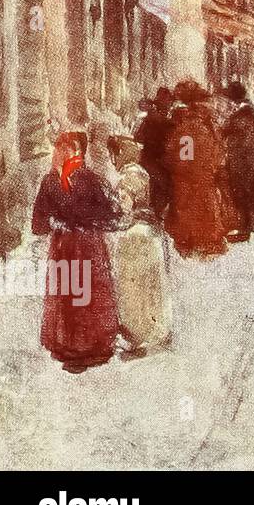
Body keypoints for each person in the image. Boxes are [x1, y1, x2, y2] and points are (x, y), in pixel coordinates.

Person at [31, 131, 120, 372]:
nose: (62, 153)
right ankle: (68, 345)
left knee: (89, 293)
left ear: (79, 152)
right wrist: (57, 223)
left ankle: (93, 344)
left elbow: (108, 213)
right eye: (59, 148)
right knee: (69, 294)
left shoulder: (90, 179)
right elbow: (38, 221)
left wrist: (86, 222)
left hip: (89, 246)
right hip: (64, 247)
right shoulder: (49, 181)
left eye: (69, 148)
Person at [107, 135, 172, 356]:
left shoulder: (126, 179)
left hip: (135, 235)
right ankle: (158, 332)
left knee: (132, 288)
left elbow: (123, 210)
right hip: (153, 233)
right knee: (153, 285)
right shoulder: (145, 175)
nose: (111, 160)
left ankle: (136, 335)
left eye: (112, 155)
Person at [163, 80, 230, 259]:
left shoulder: (185, 129)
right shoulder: (206, 127)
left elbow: (177, 158)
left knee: (190, 215)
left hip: (188, 181)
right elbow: (218, 152)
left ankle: (194, 246)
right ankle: (206, 246)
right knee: (204, 214)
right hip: (202, 180)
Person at [221, 81, 254, 244]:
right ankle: (247, 226)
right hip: (247, 160)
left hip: (244, 161)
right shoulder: (245, 113)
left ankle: (244, 228)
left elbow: (234, 136)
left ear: (233, 100)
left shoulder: (242, 116)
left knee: (244, 192)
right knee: (247, 192)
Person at [133, 86, 174, 219]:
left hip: (152, 159)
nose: (170, 104)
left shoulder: (153, 118)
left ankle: (157, 214)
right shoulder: (160, 120)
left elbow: (138, 137)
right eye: (169, 101)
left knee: (157, 188)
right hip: (156, 160)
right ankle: (158, 215)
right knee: (163, 187)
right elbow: (139, 136)